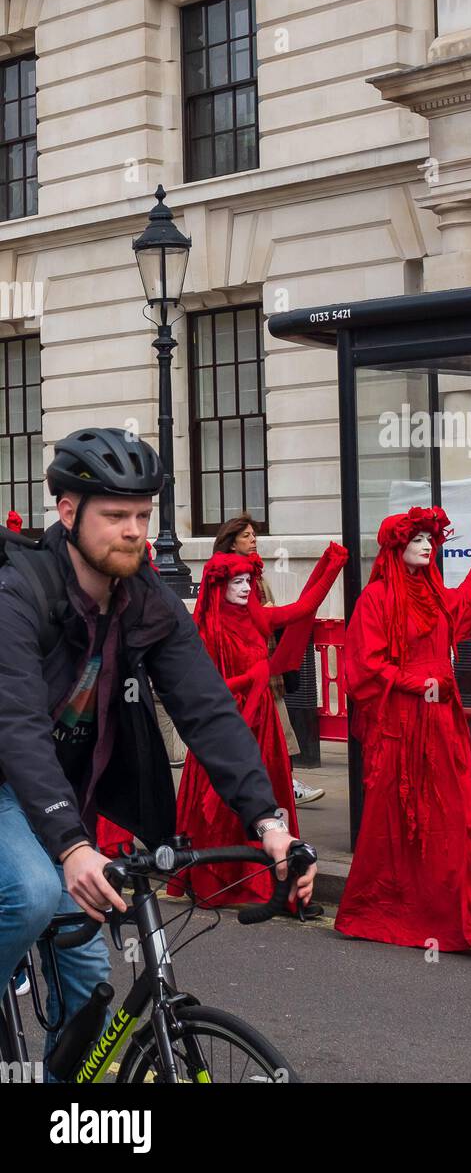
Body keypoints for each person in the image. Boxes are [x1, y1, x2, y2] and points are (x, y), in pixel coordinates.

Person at [0, 428, 316, 1072]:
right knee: (32, 891)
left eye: (143, 515)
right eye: (116, 515)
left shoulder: (145, 598)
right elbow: (18, 727)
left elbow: (207, 709)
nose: (134, 530)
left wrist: (271, 822)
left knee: (89, 992)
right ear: (68, 511)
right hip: (13, 779)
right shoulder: (20, 592)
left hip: (65, 795)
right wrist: (70, 845)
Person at [334, 506, 471, 954]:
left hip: (442, 721)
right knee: (404, 822)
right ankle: (410, 914)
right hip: (401, 725)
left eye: (431, 539)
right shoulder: (377, 599)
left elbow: (464, 604)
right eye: (418, 539)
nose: (428, 546)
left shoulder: (434, 592)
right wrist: (417, 681)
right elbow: (366, 667)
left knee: (466, 813)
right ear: (397, 547)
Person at [168, 541, 346, 910]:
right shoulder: (204, 629)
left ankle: (270, 876)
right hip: (224, 723)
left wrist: (332, 564)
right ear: (220, 586)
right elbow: (202, 688)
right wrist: (249, 679)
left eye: (249, 580)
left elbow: (304, 608)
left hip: (262, 721)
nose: (247, 588)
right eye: (238, 582)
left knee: (266, 798)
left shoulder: (256, 617)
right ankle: (221, 876)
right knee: (221, 801)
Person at [212, 513, 325, 807]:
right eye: (247, 535)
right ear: (231, 541)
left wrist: (331, 563)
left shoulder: (255, 575)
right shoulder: (224, 578)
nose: (253, 540)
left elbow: (301, 608)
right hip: (244, 674)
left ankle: (283, 783)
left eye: (254, 535)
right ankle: (276, 786)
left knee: (278, 733)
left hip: (265, 665)